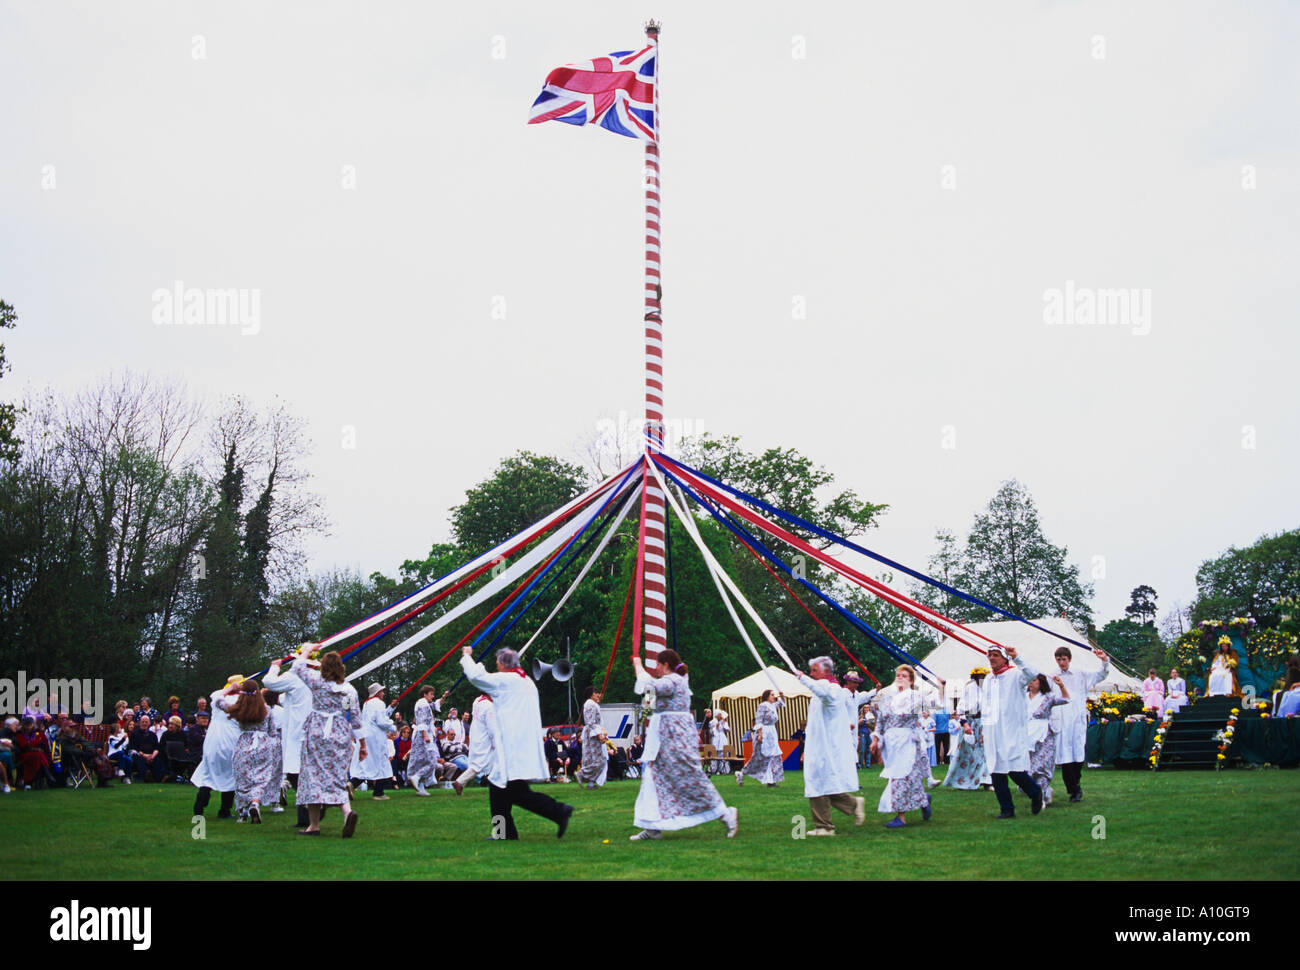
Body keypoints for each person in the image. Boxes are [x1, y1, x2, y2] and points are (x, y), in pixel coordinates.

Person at [459, 645, 573, 840]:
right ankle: (505, 832)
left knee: (514, 791)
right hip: (520, 743)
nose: (496, 666)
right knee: (499, 789)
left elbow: (478, 678)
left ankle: (558, 810)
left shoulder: (507, 680)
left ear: (503, 664)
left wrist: (467, 657)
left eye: (497, 663)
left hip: (510, 745)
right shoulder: (526, 681)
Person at [629, 649, 738, 841]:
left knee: (689, 777)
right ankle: (652, 826)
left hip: (674, 738)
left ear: (666, 665)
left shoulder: (674, 681)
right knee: (652, 778)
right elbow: (648, 703)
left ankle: (725, 814)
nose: (656, 668)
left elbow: (649, 686)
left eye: (658, 664)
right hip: (662, 738)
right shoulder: (670, 683)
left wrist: (638, 666)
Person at [291, 645, 364, 837]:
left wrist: (307, 650)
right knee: (337, 776)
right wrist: (362, 744)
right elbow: (355, 718)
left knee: (312, 776)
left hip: (317, 733)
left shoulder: (317, 681)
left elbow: (297, 667)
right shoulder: (348, 690)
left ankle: (313, 825)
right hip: (340, 734)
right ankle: (347, 812)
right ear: (341, 668)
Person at [869, 665, 934, 829]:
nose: (900, 678)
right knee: (907, 778)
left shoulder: (916, 697)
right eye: (897, 675)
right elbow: (881, 721)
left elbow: (911, 711)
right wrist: (876, 739)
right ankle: (923, 800)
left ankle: (901, 817)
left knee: (900, 778)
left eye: (904, 676)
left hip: (908, 742)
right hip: (891, 744)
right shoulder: (888, 699)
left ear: (911, 680)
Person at [983, 646, 1042, 819]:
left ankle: (1034, 791)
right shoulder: (988, 679)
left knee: (1014, 769)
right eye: (990, 655)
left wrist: (1017, 656)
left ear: (1004, 659)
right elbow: (985, 705)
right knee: (996, 770)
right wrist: (984, 729)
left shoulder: (1015, 675)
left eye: (996, 655)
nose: (992, 658)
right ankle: (1006, 809)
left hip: (1011, 729)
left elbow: (1033, 673)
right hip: (993, 731)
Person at [1052, 645, 1110, 803]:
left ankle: (1076, 784)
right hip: (1061, 720)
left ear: (1069, 659)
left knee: (1077, 756)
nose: (1061, 662)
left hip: (1077, 719)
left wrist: (1104, 660)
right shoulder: (1052, 676)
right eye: (1058, 659)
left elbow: (1102, 674)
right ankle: (1073, 790)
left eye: (1064, 659)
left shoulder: (1081, 674)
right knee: (1065, 757)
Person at [216, 679, 280, 823]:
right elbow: (273, 731)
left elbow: (218, 701)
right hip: (263, 743)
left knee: (243, 778)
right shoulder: (267, 710)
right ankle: (255, 803)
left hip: (244, 743)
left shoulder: (238, 708)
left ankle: (243, 812)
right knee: (261, 778)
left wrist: (228, 689)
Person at [265, 647, 316, 826]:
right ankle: (306, 816)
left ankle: (313, 809)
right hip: (311, 731)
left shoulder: (294, 677)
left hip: (296, 732)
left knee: (295, 773)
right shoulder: (315, 678)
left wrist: (275, 667)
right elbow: (287, 700)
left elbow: (269, 682)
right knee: (302, 774)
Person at [191, 676, 243, 819]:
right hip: (229, 739)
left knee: (209, 771)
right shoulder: (237, 699)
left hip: (215, 739)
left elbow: (216, 696)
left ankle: (200, 805)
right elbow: (216, 696)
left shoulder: (222, 696)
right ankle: (224, 810)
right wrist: (232, 688)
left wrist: (231, 689)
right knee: (230, 772)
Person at [1026, 674, 1070, 805]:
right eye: (1030, 680)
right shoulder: (1022, 697)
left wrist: (1061, 685)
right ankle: (1043, 792)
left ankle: (1042, 796)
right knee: (1029, 769)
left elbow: (1066, 699)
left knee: (1042, 767)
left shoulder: (1048, 697)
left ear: (1041, 682)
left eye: (1034, 680)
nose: (1031, 683)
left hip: (1044, 734)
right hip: (1026, 734)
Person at [944, 669, 991, 790]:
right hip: (970, 724)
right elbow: (961, 709)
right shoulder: (969, 689)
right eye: (980, 676)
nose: (983, 679)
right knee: (967, 754)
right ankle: (961, 781)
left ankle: (986, 782)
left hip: (983, 724)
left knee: (985, 753)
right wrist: (965, 724)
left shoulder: (988, 689)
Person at [351, 683, 397, 800]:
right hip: (376, 737)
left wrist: (391, 708)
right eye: (382, 691)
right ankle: (378, 793)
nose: (383, 693)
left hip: (366, 736)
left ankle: (352, 784)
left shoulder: (367, 704)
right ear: (377, 693)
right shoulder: (379, 703)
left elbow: (379, 716)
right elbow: (381, 721)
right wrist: (393, 727)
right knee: (381, 762)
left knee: (368, 764)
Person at [737, 689, 784, 787]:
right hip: (764, 732)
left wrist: (781, 695)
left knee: (773, 756)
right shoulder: (763, 706)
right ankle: (742, 773)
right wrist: (760, 734)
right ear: (767, 696)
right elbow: (758, 720)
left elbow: (781, 702)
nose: (773, 696)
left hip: (772, 733)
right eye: (772, 695)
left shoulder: (772, 706)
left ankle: (771, 781)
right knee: (759, 758)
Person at [453, 693, 496, 795]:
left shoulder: (477, 700)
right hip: (484, 737)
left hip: (476, 734)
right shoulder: (489, 706)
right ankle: (460, 782)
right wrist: (494, 742)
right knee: (479, 764)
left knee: (483, 762)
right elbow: (491, 728)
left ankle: (494, 783)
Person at [407, 684, 445, 796]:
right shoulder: (423, 704)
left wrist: (443, 697)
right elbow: (422, 721)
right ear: (425, 694)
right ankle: (417, 777)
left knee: (422, 761)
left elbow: (435, 705)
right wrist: (425, 735)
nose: (433, 696)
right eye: (431, 694)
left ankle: (421, 787)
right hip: (423, 736)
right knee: (432, 761)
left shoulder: (424, 704)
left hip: (423, 735)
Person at [578, 686, 609, 789]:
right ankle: (582, 774)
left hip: (594, 732)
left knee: (593, 759)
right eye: (596, 693)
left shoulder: (592, 704)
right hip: (593, 734)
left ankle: (590, 783)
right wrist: (599, 734)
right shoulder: (590, 704)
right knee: (599, 760)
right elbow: (590, 722)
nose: (598, 695)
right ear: (591, 694)